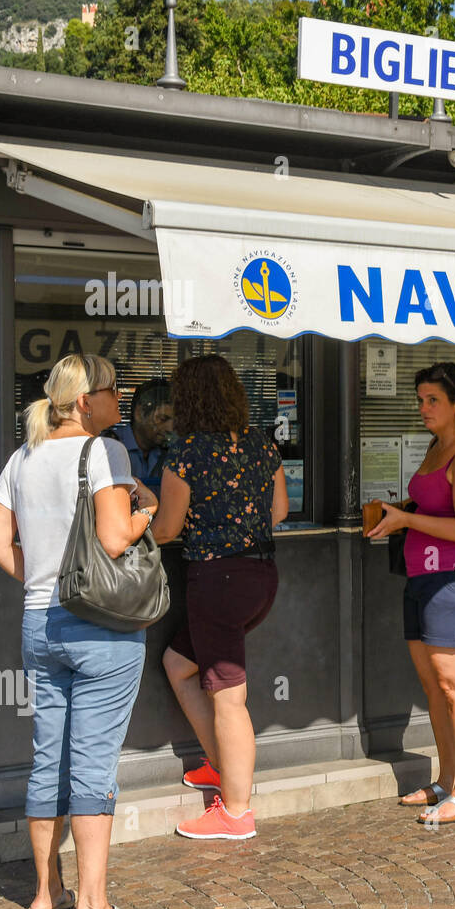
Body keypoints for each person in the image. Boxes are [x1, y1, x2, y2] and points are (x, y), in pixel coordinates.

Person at [0, 353, 151, 909]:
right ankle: (94, 902)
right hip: (100, 626)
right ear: (85, 400)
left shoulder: (22, 456)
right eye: (112, 391)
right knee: (93, 763)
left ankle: (45, 893)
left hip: (39, 622)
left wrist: (42, 578)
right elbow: (112, 540)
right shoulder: (106, 451)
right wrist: (144, 513)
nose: (119, 400)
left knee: (48, 758)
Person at [151, 356, 287, 840]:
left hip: (216, 583)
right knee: (177, 663)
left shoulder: (185, 452)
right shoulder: (259, 443)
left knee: (229, 697)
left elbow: (166, 529)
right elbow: (281, 508)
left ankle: (235, 811)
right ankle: (225, 768)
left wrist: (143, 515)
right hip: (261, 576)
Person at [367, 362, 455, 824]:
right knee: (434, 686)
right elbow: (428, 505)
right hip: (421, 578)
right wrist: (395, 514)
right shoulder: (435, 448)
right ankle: (446, 780)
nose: (423, 408)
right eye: (419, 400)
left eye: (432, 400)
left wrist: (406, 520)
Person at [103, 379, 173, 496]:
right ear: (139, 413)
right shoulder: (108, 447)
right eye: (162, 419)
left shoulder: (169, 452)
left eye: (174, 422)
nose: (170, 428)